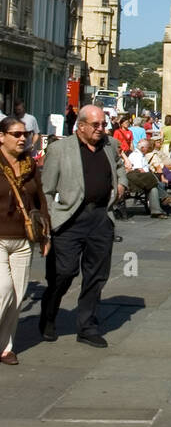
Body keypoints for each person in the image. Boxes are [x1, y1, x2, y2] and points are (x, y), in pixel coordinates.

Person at [39, 106, 128, 347]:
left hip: (100, 217)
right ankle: (48, 313)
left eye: (103, 124)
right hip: (69, 219)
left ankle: (87, 326)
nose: (102, 129)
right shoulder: (60, 149)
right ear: (81, 126)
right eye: (96, 125)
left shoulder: (109, 144)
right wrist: (52, 220)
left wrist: (122, 185)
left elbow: (119, 166)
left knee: (97, 275)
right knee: (64, 272)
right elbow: (45, 190)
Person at [0, 116, 52, 364]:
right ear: (2, 137)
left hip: (24, 239)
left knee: (19, 295)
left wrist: (46, 233)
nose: (23, 138)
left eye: (25, 134)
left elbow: (40, 200)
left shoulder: (30, 165)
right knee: (4, 290)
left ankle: (5, 347)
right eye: (16, 134)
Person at [122, 141, 171, 218]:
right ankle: (166, 202)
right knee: (152, 182)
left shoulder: (141, 155)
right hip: (137, 181)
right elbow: (139, 170)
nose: (149, 149)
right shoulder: (135, 155)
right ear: (142, 148)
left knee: (153, 188)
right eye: (147, 147)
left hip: (145, 180)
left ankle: (157, 212)